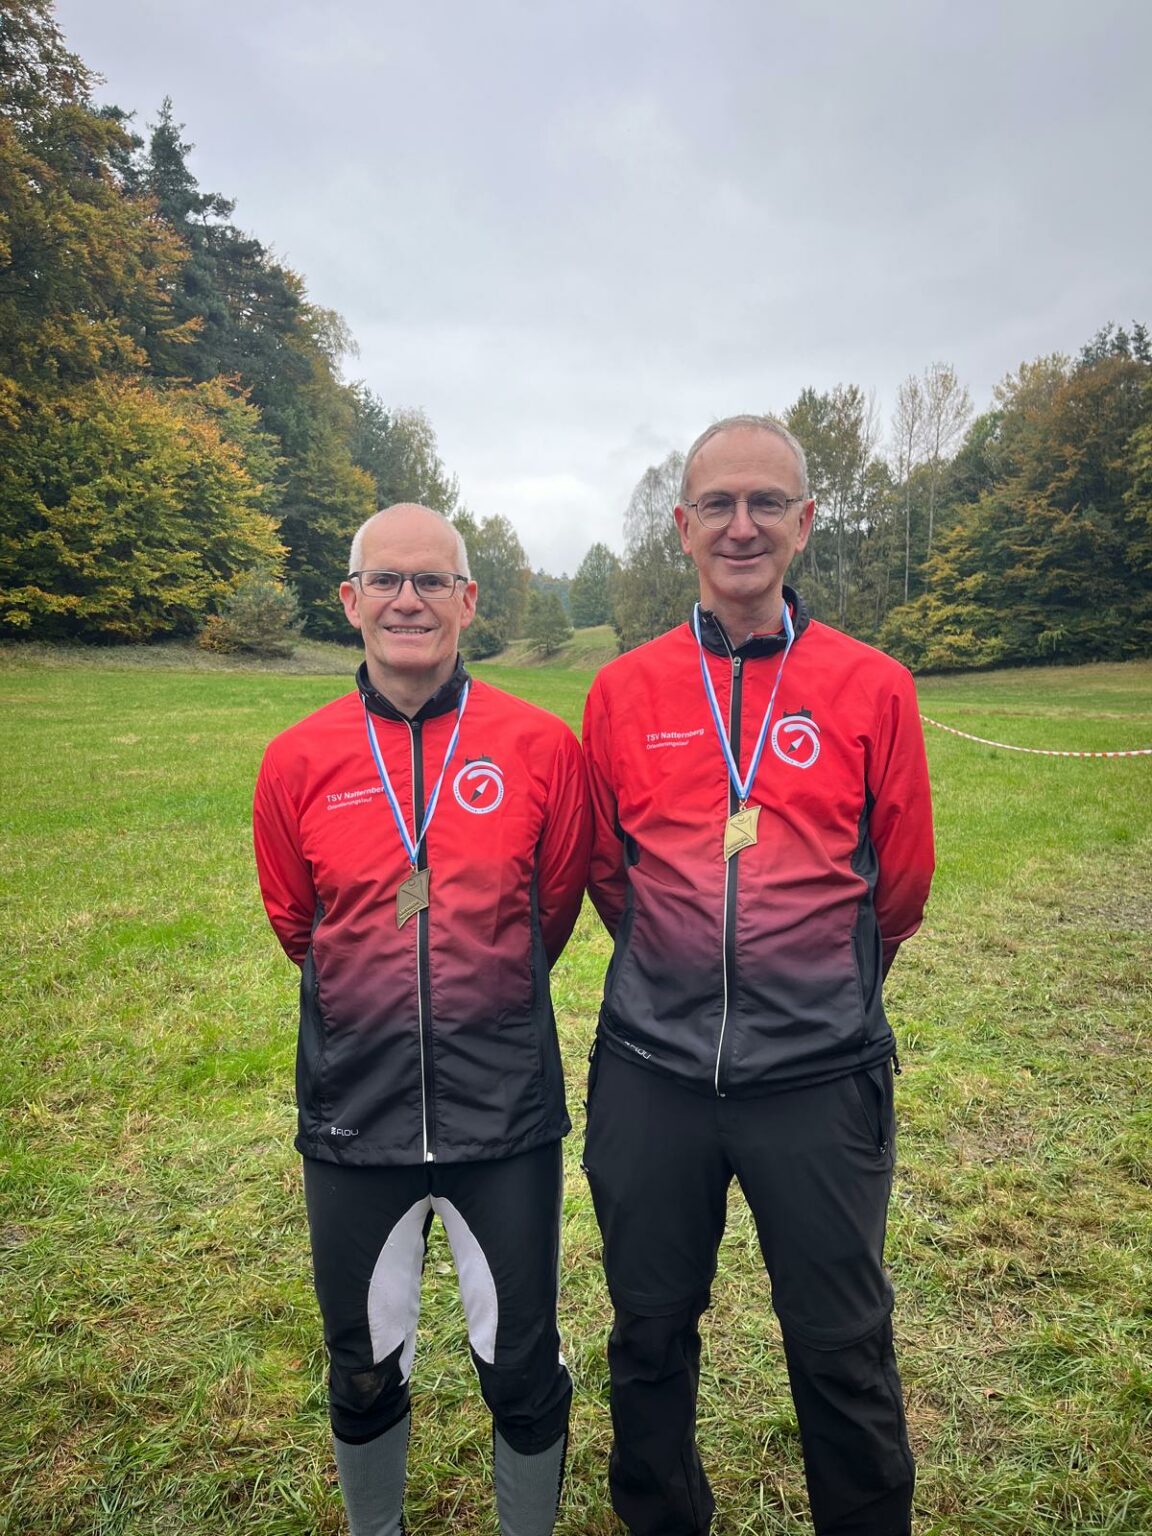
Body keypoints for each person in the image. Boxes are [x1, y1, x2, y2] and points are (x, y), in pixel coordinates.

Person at [580, 416, 935, 1536]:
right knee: (646, 1332)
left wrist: (804, 986)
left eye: (766, 503)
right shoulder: (623, 691)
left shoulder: (873, 686)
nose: (742, 526)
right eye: (718, 505)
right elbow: (606, 872)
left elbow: (900, 884)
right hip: (654, 1073)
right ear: (682, 527)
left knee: (840, 1347)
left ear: (805, 525)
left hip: (818, 1078)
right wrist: (686, 979)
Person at [253, 504, 590, 1536]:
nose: (410, 600)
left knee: (523, 1367)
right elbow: (296, 924)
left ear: (467, 602)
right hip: (357, 1125)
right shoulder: (296, 760)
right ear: (350, 602)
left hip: (505, 1123)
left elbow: (555, 908)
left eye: (433, 581)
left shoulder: (539, 745)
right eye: (386, 581)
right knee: (361, 1366)